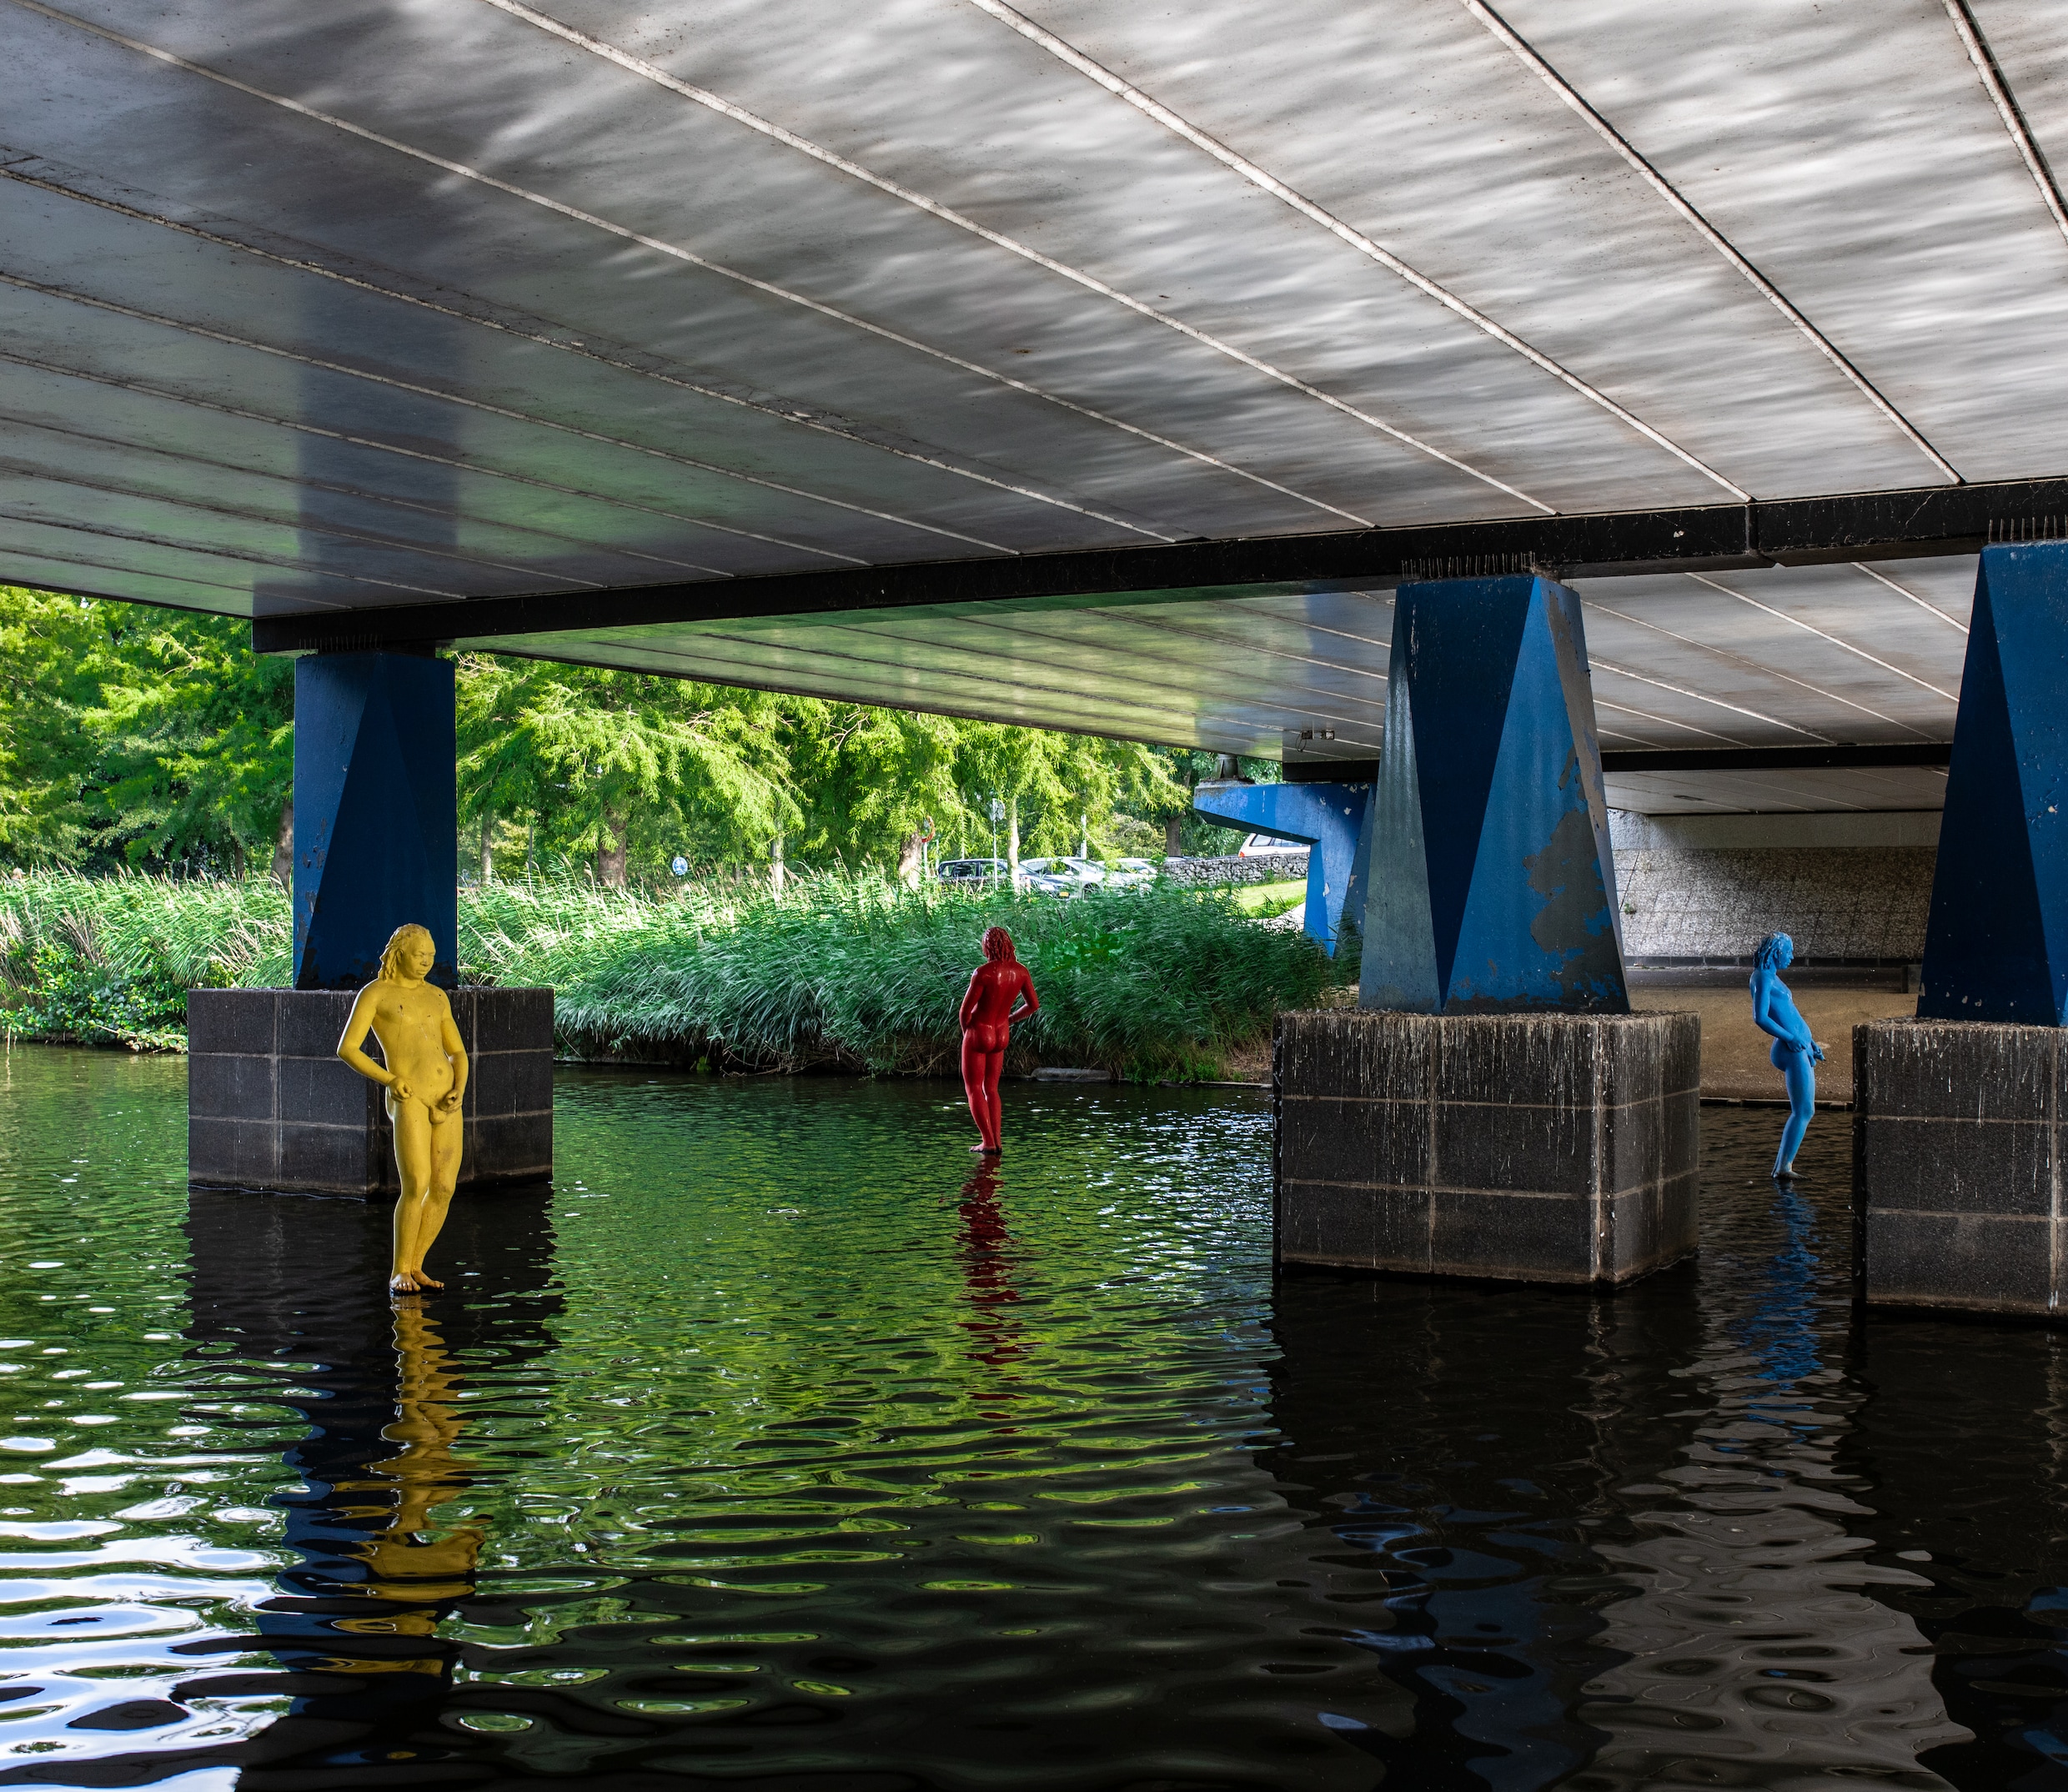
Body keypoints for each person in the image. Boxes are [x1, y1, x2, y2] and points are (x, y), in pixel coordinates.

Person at [337, 923, 469, 1293]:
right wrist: (391, 1079)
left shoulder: (437, 996)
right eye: (418, 955)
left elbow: (457, 1052)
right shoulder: (376, 993)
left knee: (444, 1187)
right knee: (417, 1184)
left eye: (430, 956)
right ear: (399, 954)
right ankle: (399, 1270)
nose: (426, 962)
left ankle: (416, 1265)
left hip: (447, 1098)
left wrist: (459, 1088)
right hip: (409, 1097)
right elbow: (347, 1049)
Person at [959, 926, 1039, 1154]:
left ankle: (988, 1142)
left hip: (980, 1031)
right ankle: (997, 1141)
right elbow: (1033, 1005)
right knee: (991, 1089)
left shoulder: (982, 973)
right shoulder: (1021, 972)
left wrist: (968, 1034)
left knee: (974, 1088)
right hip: (1002, 1032)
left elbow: (965, 1012)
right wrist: (1011, 1019)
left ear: (989, 946)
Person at [1749, 931, 1823, 1180]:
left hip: (1799, 1046)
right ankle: (1783, 1168)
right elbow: (1760, 1017)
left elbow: (1790, 1013)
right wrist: (1792, 1038)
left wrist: (1810, 1042)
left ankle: (1782, 1166)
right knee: (1804, 1110)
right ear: (1775, 952)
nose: (1792, 957)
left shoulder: (1772, 977)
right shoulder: (1761, 977)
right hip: (1790, 1048)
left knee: (1805, 1110)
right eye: (1788, 952)